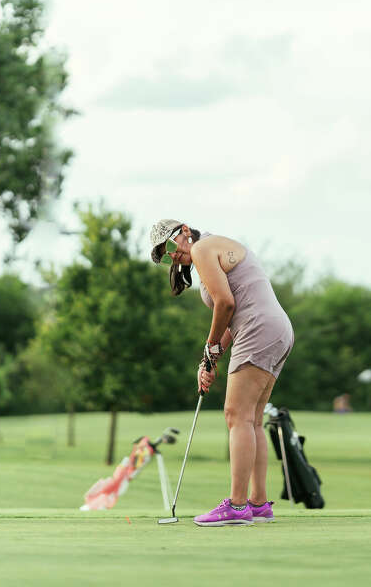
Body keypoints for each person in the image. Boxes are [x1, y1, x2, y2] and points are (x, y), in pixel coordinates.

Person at [149, 219, 294, 526]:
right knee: (251, 418)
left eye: (171, 247)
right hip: (275, 329)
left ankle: (237, 506)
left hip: (258, 328)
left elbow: (226, 304)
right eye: (164, 255)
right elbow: (230, 314)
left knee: (235, 415)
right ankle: (257, 504)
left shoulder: (202, 248)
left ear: (184, 231)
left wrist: (210, 348)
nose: (171, 256)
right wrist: (212, 357)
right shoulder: (211, 250)